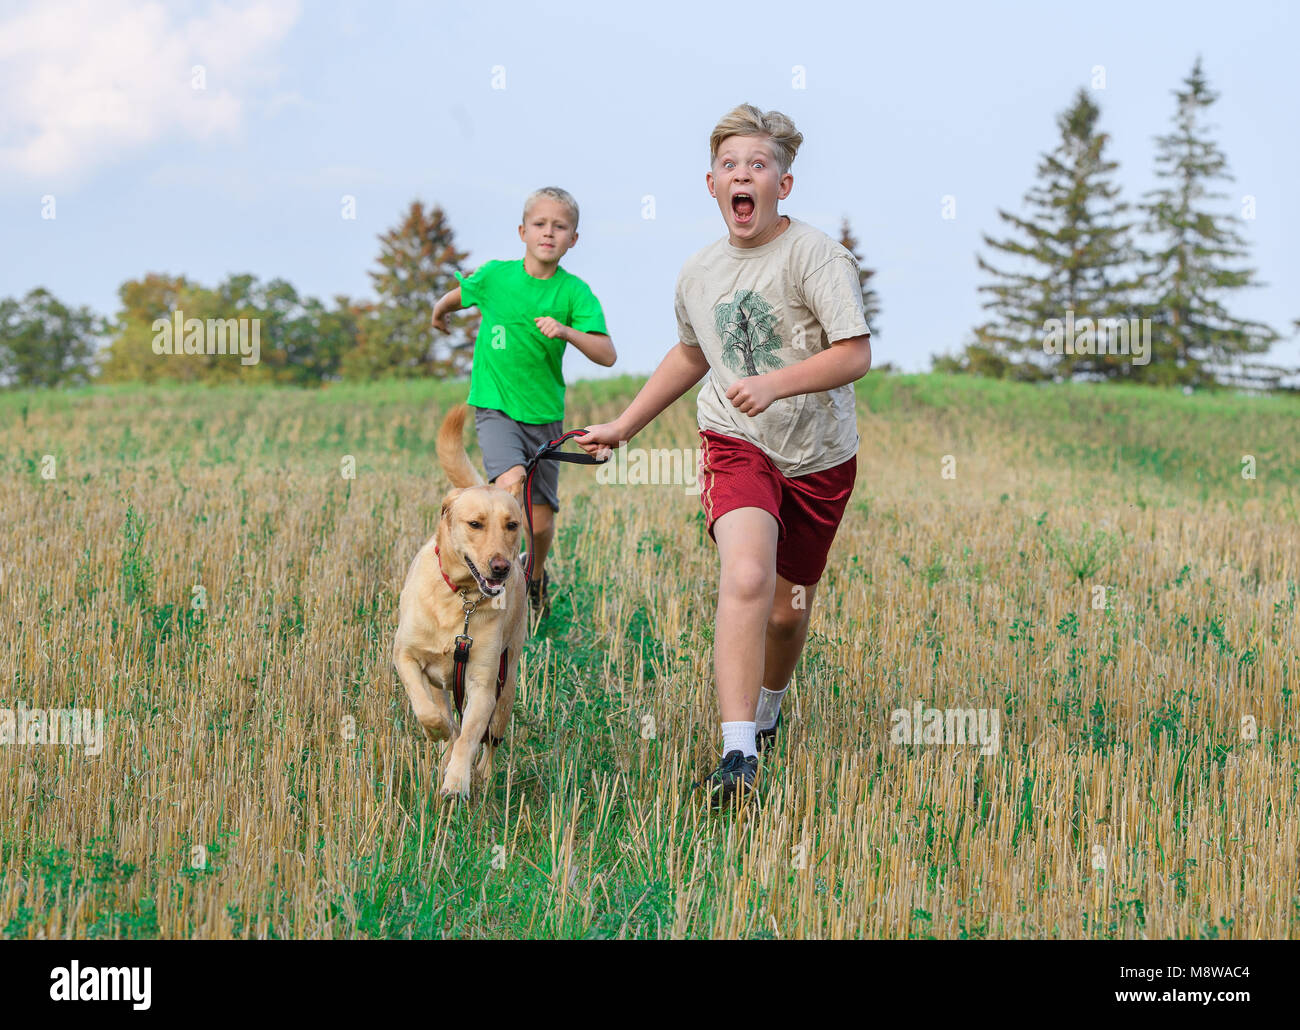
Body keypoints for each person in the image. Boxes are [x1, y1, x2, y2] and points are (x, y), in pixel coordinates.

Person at [577, 104, 872, 805]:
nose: (744, 176)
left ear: (784, 185)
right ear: (711, 184)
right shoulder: (699, 272)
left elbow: (854, 352)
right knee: (746, 578)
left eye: (759, 165)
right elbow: (690, 354)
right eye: (731, 166)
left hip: (819, 455)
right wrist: (625, 424)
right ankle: (738, 754)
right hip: (736, 442)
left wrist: (774, 383)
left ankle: (767, 713)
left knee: (786, 611)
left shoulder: (816, 256)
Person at [432, 187, 616, 614]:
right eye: (539, 224)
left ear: (573, 238)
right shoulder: (497, 276)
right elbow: (461, 294)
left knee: (542, 521)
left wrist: (567, 331)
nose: (548, 233)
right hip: (495, 407)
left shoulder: (574, 294)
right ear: (522, 231)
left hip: (545, 416)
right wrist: (438, 313)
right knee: (510, 483)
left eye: (559, 226)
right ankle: (492, 579)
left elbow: (607, 354)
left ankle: (533, 579)